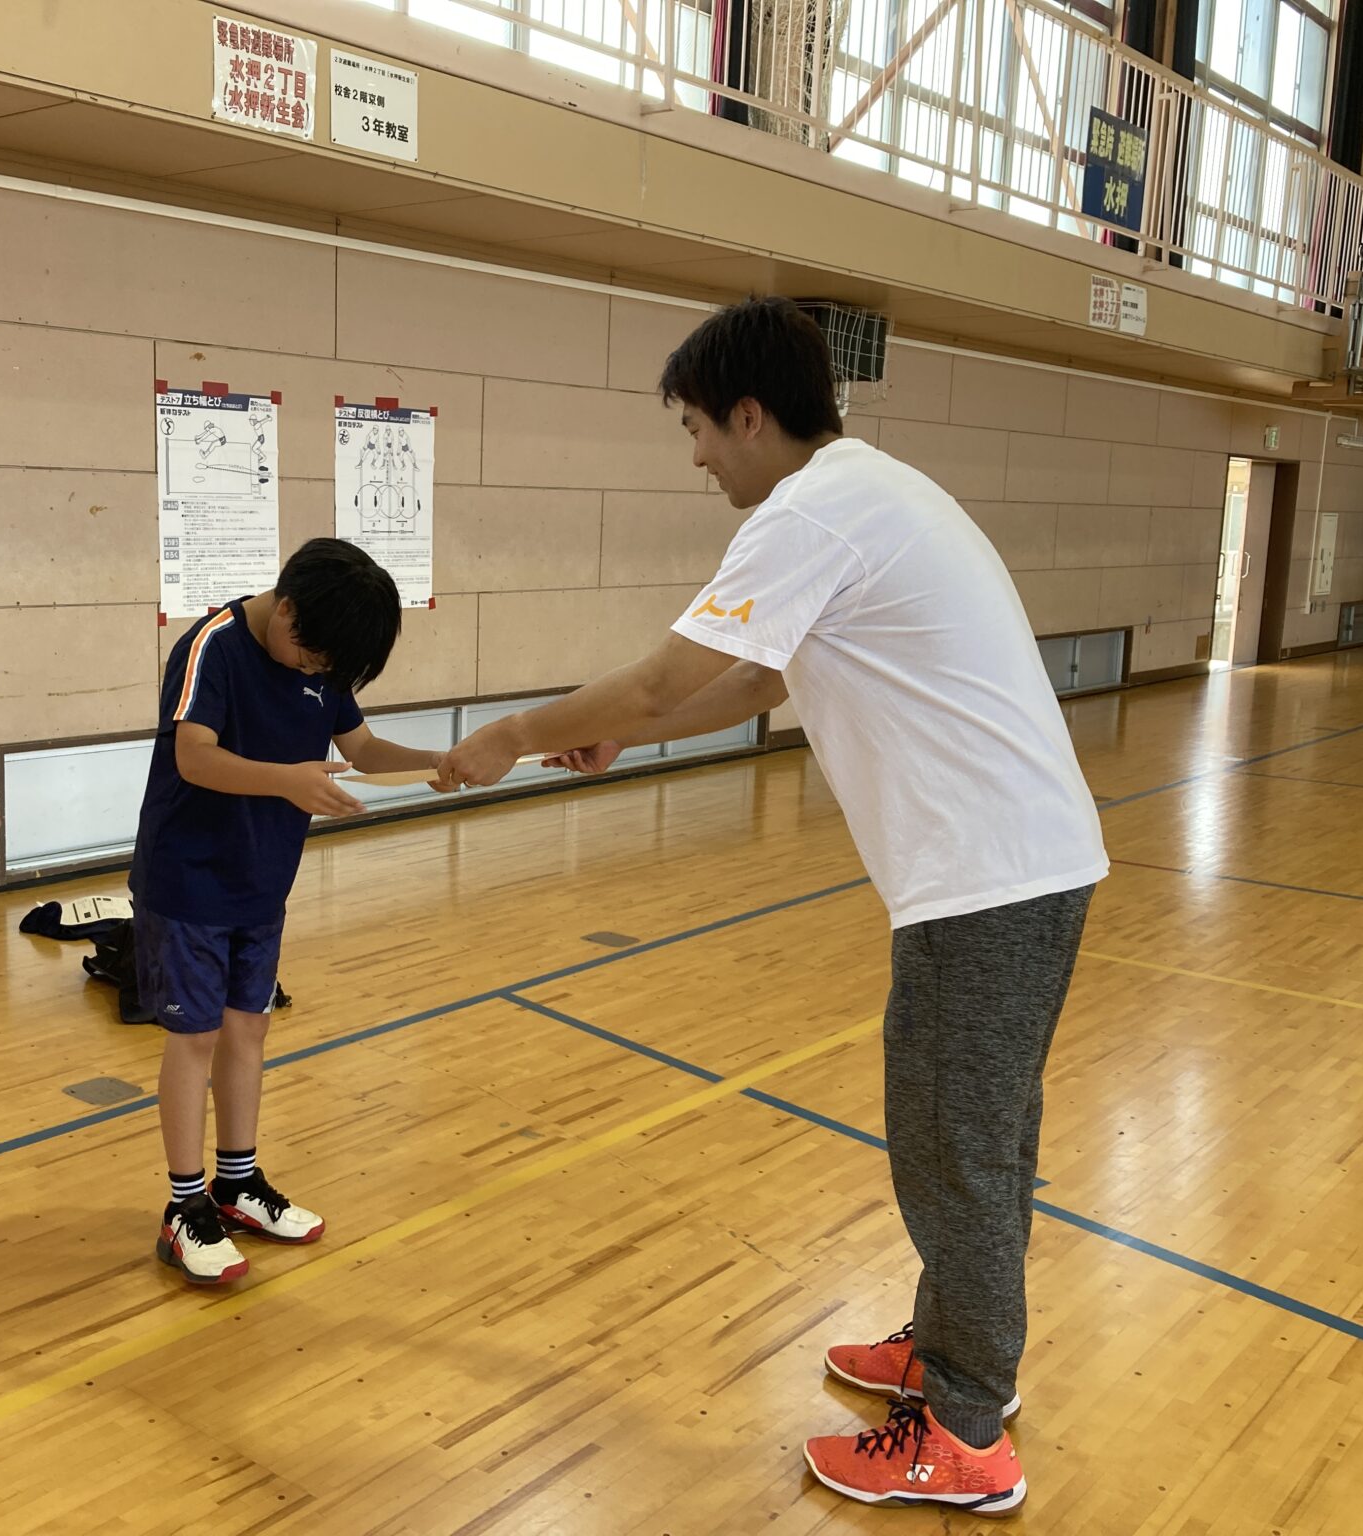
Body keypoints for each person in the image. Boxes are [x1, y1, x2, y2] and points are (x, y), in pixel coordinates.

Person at [437, 297, 1107, 1516]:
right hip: (1018, 867)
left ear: (749, 415)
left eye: (696, 426)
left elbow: (657, 681)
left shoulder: (808, 511)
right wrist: (611, 740)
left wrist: (517, 734)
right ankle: (961, 1351)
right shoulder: (862, 494)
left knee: (953, 1142)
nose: (694, 454)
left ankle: (963, 1428)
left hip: (987, 879)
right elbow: (751, 683)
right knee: (980, 1135)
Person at [132, 538, 443, 1285]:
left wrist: (443, 763)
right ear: (289, 607)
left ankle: (237, 1185)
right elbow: (194, 757)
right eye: (313, 656)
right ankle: (184, 1208)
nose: (316, 671)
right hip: (188, 883)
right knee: (196, 1039)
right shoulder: (213, 645)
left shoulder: (322, 657)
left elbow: (363, 750)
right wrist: (286, 781)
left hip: (262, 884)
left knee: (249, 1028)